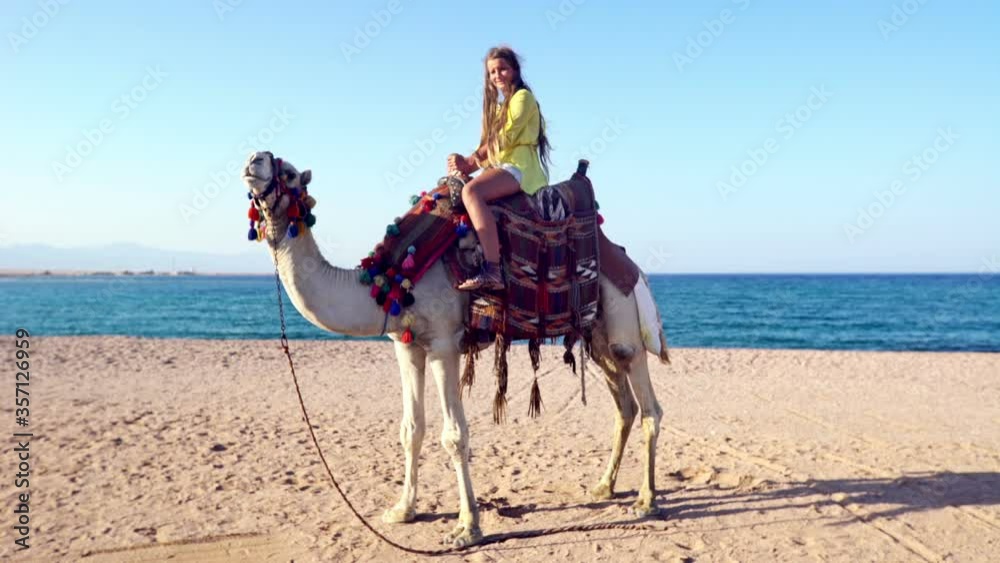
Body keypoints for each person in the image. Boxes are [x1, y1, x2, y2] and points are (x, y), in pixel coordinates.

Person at [448, 46, 551, 291]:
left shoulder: (523, 99)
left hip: (519, 168)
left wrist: (470, 162)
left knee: (471, 193)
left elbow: (504, 138)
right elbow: (486, 147)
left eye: (502, 69)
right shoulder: (496, 107)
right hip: (500, 166)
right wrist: (462, 165)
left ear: (515, 70)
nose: (497, 75)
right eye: (492, 72)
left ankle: (492, 269)